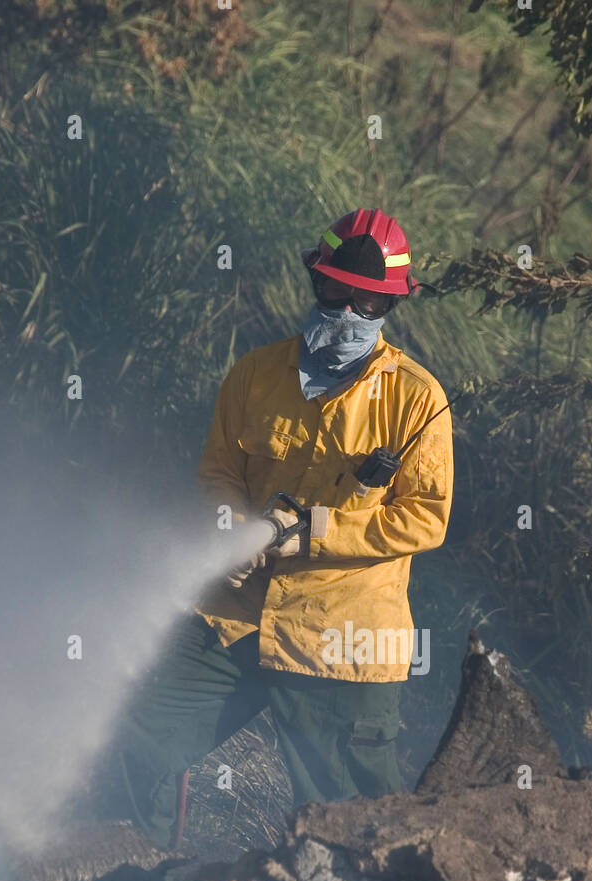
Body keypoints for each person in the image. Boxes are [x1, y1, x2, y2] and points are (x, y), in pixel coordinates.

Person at [109, 207, 454, 848]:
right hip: (236, 615)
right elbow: (218, 474)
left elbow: (425, 518)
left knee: (348, 828)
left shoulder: (416, 398)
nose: (348, 312)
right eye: (335, 292)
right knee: (141, 729)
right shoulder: (255, 375)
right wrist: (236, 529)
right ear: (314, 282)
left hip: (343, 641)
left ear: (391, 308)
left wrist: (313, 532)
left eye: (368, 303)